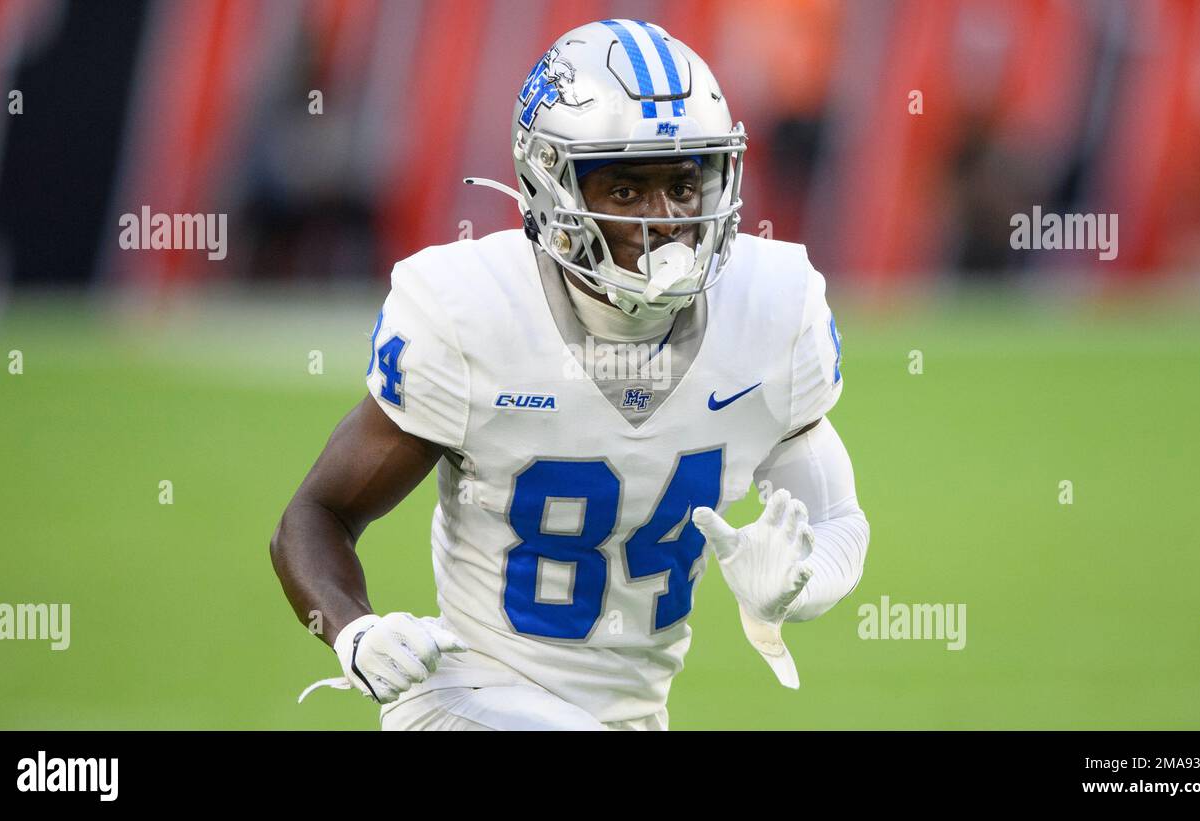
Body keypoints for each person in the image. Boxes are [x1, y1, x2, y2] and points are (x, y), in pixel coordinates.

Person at [271, 18, 869, 731]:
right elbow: (315, 515)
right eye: (626, 191)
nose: (667, 221)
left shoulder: (772, 304)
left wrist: (792, 589)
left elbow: (835, 519)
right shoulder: (471, 312)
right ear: (549, 189)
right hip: (472, 697)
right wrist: (353, 629)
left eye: (684, 181)